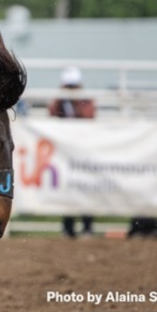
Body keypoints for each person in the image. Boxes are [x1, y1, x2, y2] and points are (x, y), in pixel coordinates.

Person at [48, 65, 96, 238]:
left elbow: (88, 116)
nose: (70, 89)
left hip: (83, 152)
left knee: (85, 188)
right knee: (67, 189)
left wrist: (74, 99)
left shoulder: (85, 100)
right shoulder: (61, 101)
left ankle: (87, 227)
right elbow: (52, 113)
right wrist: (62, 97)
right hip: (65, 153)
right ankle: (68, 228)